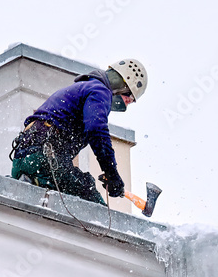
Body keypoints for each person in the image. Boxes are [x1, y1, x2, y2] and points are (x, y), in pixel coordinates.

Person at [10, 59, 147, 205]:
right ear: (121, 84)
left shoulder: (84, 88)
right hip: (45, 159)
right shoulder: (100, 91)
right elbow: (97, 130)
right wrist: (112, 173)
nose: (128, 102)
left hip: (24, 159)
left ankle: (29, 179)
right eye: (130, 96)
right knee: (93, 205)